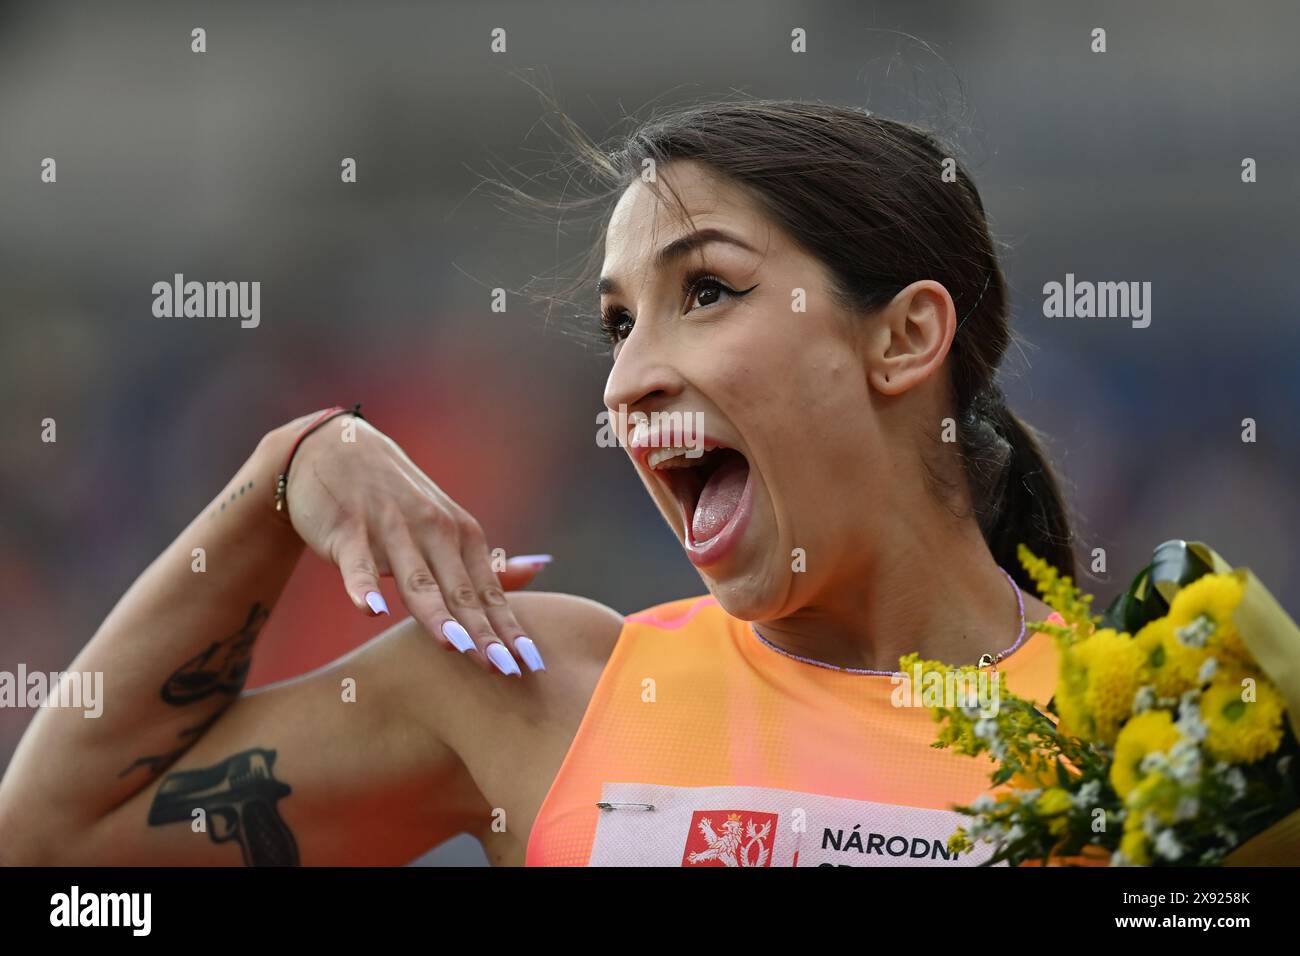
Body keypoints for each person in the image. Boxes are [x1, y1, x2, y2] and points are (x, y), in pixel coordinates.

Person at [0, 100, 1074, 867]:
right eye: (618, 324)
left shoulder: (1159, 722)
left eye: (706, 290)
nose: (630, 379)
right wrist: (290, 467)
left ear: (905, 336)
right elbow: (54, 849)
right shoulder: (531, 687)